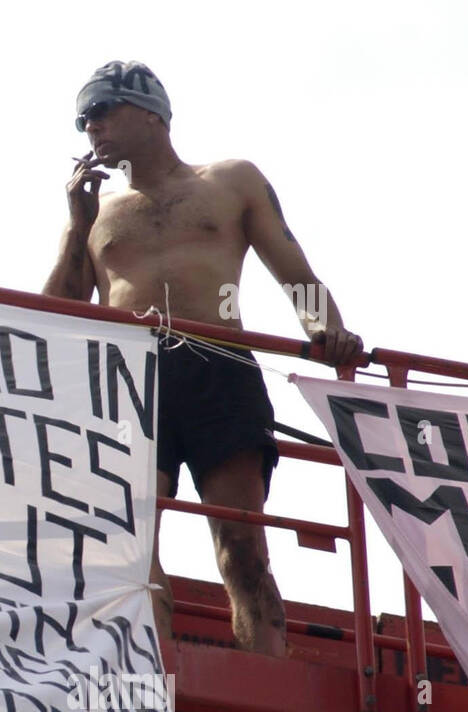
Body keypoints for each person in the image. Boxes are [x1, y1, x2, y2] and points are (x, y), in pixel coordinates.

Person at [42, 61, 363, 656]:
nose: (91, 128)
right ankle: (155, 695)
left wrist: (330, 332)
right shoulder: (99, 213)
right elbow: (54, 312)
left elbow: (298, 276)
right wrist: (75, 225)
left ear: (151, 114)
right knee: (134, 548)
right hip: (131, 376)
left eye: (102, 111)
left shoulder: (231, 180)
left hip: (220, 365)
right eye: (84, 119)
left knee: (241, 542)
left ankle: (265, 685)